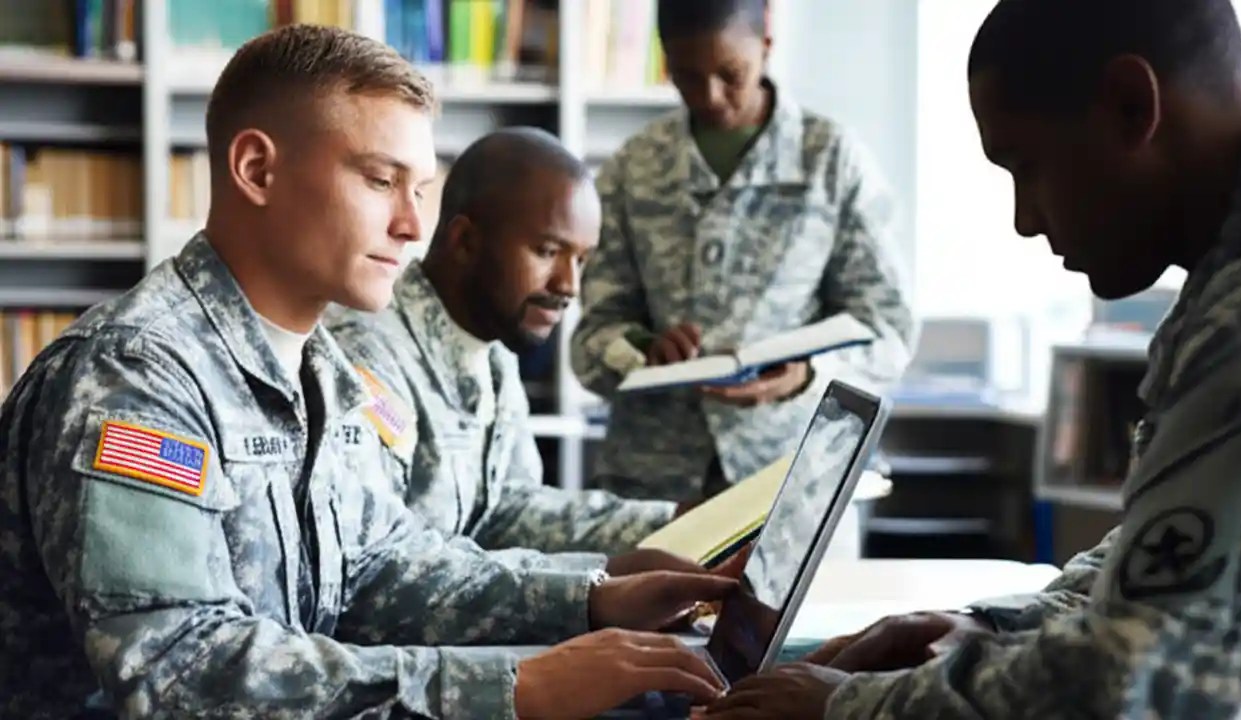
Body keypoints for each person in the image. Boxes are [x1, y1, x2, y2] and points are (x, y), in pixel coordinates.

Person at [0, 25, 738, 720]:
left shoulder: (321, 367)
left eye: (419, 191)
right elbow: (179, 669)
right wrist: (514, 688)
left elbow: (381, 568)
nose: (414, 226)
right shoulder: (135, 377)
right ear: (257, 169)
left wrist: (591, 600)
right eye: (382, 181)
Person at [698, 0, 1241, 717]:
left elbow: (1131, 681)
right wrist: (990, 626)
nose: (1025, 218)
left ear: (1132, 107)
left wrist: (851, 708)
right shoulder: (1231, 270)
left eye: (1027, 167)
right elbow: (1162, 556)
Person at [569, 0, 917, 504]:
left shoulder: (830, 160)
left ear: (767, 45)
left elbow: (888, 330)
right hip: (653, 487)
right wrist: (643, 348)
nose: (710, 96)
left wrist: (807, 375)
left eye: (731, 74)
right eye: (686, 77)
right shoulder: (632, 168)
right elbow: (592, 340)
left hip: (793, 480)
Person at [327, 126, 695, 575]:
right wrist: (594, 589)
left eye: (580, 260)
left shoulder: (494, 345)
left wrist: (682, 524)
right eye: (547, 251)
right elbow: (379, 576)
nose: (569, 286)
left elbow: (505, 510)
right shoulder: (364, 356)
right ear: (465, 242)